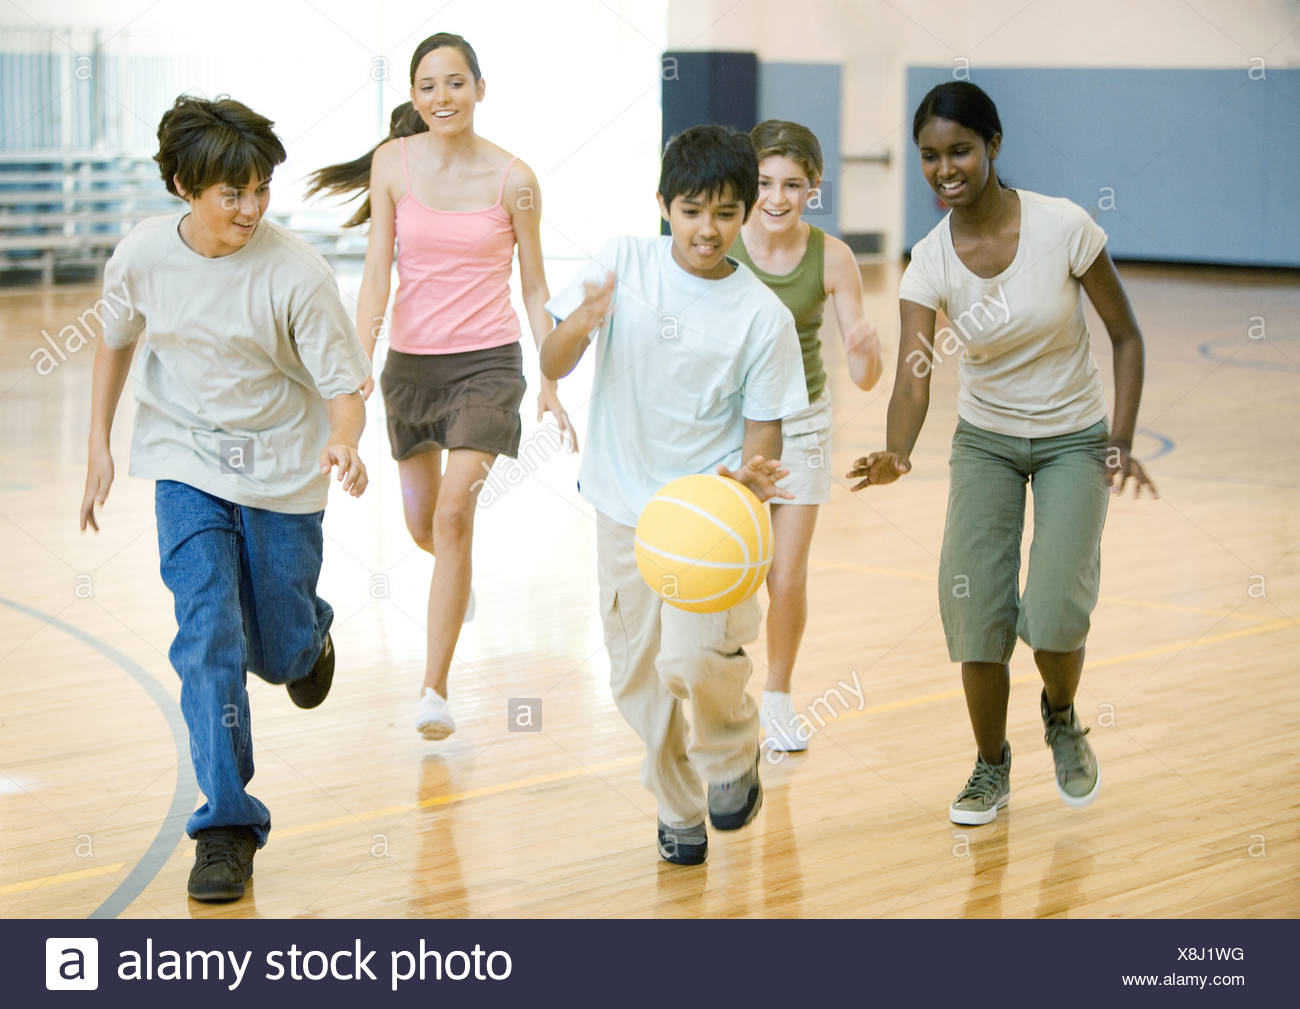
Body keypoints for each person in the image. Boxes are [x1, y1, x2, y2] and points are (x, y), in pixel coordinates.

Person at [79, 95, 371, 901]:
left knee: (274, 653)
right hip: (185, 459)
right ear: (184, 186)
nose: (250, 209)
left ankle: (307, 640)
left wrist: (344, 438)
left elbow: (345, 387)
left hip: (283, 470)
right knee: (206, 629)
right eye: (231, 194)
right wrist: (99, 441)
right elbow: (115, 339)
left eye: (260, 190)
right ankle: (228, 825)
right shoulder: (140, 255)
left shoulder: (296, 273)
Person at [848, 81, 1157, 826]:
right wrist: (898, 449)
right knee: (974, 611)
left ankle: (1060, 715)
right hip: (985, 442)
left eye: (959, 150)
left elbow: (1126, 336)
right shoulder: (929, 260)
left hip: (1072, 441)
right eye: (929, 156)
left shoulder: (1064, 227)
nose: (944, 168)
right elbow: (915, 376)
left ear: (992, 145)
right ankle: (991, 764)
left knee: (1052, 613)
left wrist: (1119, 440)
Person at [541, 125, 808, 865]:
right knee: (639, 680)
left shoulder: (763, 317)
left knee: (693, 660)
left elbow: (764, 432)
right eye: (692, 211)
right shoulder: (623, 264)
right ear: (664, 207)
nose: (707, 229)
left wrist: (750, 479)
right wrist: (584, 324)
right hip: (624, 509)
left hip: (707, 518)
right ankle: (678, 807)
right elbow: (552, 358)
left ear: (748, 212)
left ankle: (730, 754)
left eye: (726, 212)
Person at [308, 33, 574, 741]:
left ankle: (435, 688)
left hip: (488, 365)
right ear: (414, 96)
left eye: (455, 83)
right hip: (411, 368)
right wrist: (357, 360)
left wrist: (548, 374)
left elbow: (536, 285)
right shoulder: (391, 164)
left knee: (455, 513)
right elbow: (375, 275)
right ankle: (454, 583)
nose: (441, 98)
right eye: (427, 86)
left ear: (480, 88)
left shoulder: (515, 178)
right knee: (426, 527)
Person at [729, 120, 884, 752]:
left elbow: (865, 376)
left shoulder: (834, 257)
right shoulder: (724, 242)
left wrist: (866, 349)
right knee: (727, 567)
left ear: (813, 188)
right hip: (730, 426)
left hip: (803, 422)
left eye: (792, 184)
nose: (776, 197)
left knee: (786, 576)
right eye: (764, 182)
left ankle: (779, 698)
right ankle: (720, 693)